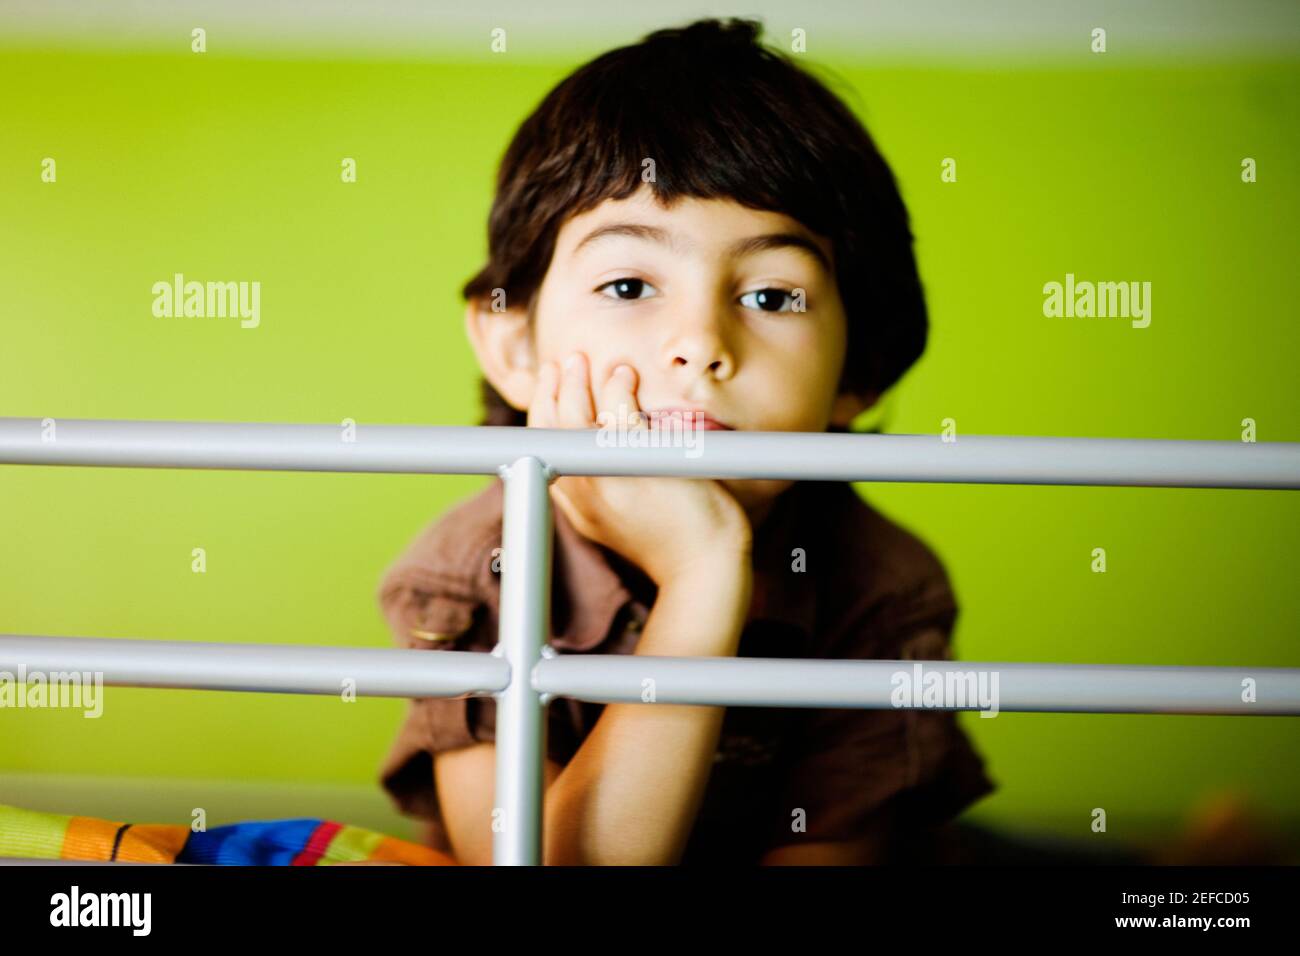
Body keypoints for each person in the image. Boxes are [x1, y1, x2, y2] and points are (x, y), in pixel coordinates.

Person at [375, 17, 998, 865]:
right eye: (630, 283)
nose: (700, 341)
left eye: (774, 297)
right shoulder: (472, 569)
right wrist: (702, 575)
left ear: (858, 375)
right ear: (515, 349)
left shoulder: (881, 584)